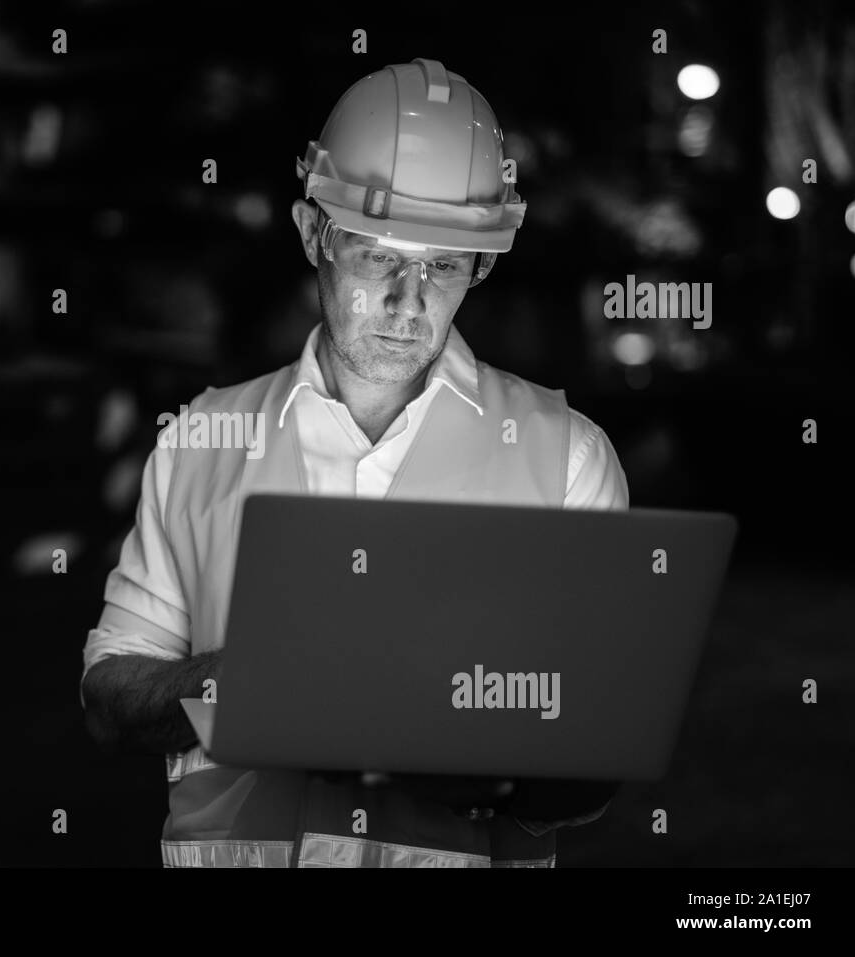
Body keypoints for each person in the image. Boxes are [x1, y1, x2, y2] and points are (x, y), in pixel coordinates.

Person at [80, 58, 628, 868]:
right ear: (314, 235)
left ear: (481, 263)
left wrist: (451, 732)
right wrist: (253, 680)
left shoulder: (566, 458)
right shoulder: (202, 437)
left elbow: (600, 755)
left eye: (443, 265)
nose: (410, 303)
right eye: (378, 258)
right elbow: (110, 699)